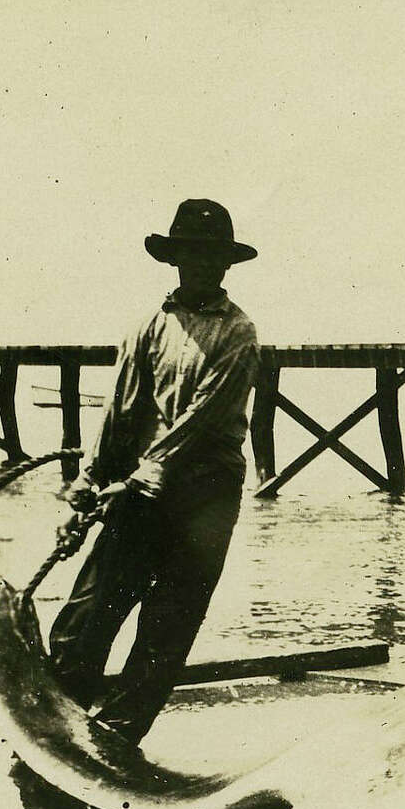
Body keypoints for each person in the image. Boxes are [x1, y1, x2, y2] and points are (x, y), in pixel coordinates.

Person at [47, 199, 262, 745]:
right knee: (87, 616)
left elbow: (202, 419)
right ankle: (59, 731)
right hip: (137, 488)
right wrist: (91, 480)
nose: (202, 267)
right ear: (176, 260)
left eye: (212, 258)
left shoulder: (239, 332)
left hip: (205, 494)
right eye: (192, 255)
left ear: (225, 265)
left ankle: (115, 741)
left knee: (165, 628)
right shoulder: (149, 324)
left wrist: (144, 473)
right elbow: (119, 408)